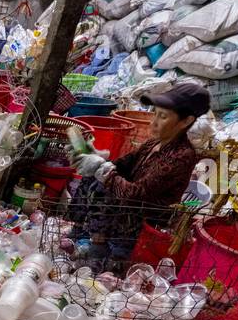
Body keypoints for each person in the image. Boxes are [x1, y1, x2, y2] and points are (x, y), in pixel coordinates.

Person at [71, 83, 210, 229]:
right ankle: (78, 229)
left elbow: (135, 195)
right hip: (128, 208)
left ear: (186, 121)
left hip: (145, 221)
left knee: (104, 185)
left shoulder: (181, 155)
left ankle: (101, 245)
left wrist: (102, 168)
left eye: (162, 117)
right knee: (93, 177)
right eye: (154, 113)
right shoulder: (153, 142)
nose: (153, 122)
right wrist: (98, 157)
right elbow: (125, 164)